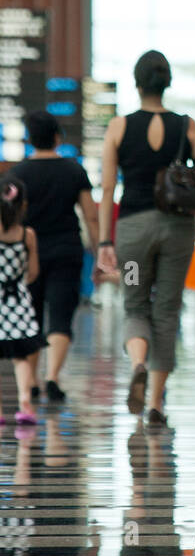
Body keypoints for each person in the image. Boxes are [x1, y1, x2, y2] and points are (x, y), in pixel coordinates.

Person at [96, 51, 195, 430]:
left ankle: (137, 363)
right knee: (167, 311)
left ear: (137, 83)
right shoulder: (187, 126)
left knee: (135, 305)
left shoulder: (118, 126)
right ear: (166, 84)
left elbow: (106, 188)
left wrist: (105, 241)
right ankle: (155, 404)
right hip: (176, 232)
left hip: (133, 234)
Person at [8, 111, 99, 403]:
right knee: (61, 316)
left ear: (29, 139)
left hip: (25, 254)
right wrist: (99, 249)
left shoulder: (16, 175)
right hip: (66, 250)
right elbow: (90, 215)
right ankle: (52, 378)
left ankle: (30, 382)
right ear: (57, 137)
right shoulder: (74, 170)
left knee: (28, 317)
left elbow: (6, 219)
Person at [0, 178, 44, 425]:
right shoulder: (27, 235)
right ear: (23, 205)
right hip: (18, 301)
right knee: (21, 356)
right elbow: (33, 272)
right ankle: (25, 403)